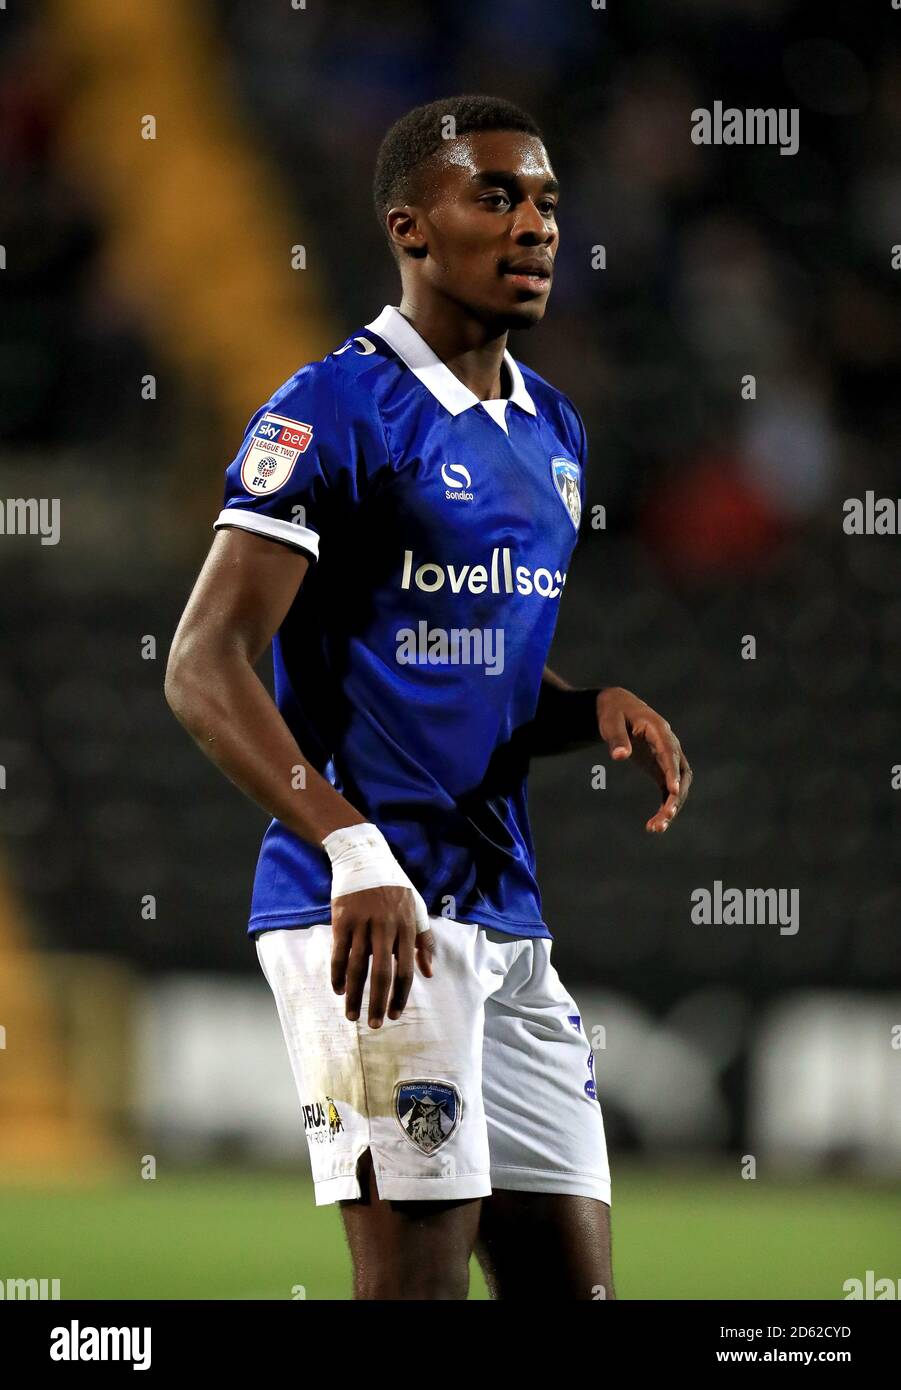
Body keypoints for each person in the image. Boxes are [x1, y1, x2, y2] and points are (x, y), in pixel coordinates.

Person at [165, 94, 692, 1301]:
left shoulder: (554, 430)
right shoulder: (333, 407)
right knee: (416, 1290)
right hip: (369, 921)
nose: (534, 226)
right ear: (409, 226)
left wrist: (583, 707)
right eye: (495, 196)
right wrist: (351, 849)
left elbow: (459, 662)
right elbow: (202, 661)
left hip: (506, 914)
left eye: (546, 201)